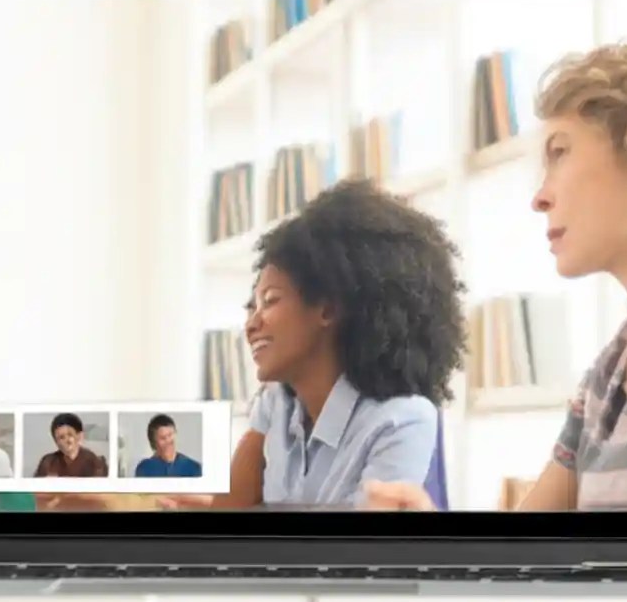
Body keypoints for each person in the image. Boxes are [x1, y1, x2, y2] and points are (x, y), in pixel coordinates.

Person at [365, 39, 627, 513]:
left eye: (560, 152)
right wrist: (424, 533)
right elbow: (521, 542)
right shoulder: (605, 376)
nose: (539, 198)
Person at [163, 179, 466, 510]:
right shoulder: (275, 404)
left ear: (328, 309)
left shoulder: (402, 420)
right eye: (252, 307)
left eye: (270, 300)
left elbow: (361, 554)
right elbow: (227, 518)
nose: (252, 324)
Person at [34, 413, 109, 478]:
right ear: (56, 441)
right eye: (61, 437)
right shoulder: (48, 463)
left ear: (80, 436)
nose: (67, 441)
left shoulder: (95, 463)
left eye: (70, 435)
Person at [134, 414, 202, 478]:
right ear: (154, 443)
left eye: (170, 435)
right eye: (162, 438)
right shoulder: (144, 469)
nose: (168, 441)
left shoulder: (193, 468)